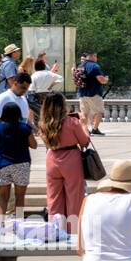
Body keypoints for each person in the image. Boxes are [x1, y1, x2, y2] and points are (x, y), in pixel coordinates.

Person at [38, 92, 91, 232]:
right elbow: (85, 142)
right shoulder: (71, 122)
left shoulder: (43, 124)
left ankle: (55, 229)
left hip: (52, 157)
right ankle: (73, 229)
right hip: (71, 159)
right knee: (74, 195)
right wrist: (84, 125)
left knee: (53, 196)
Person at [0, 101, 36, 217]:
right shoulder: (24, 128)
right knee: (20, 197)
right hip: (21, 164)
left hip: (2, 165)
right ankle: (18, 225)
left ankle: (0, 225)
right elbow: (34, 145)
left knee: (3, 198)